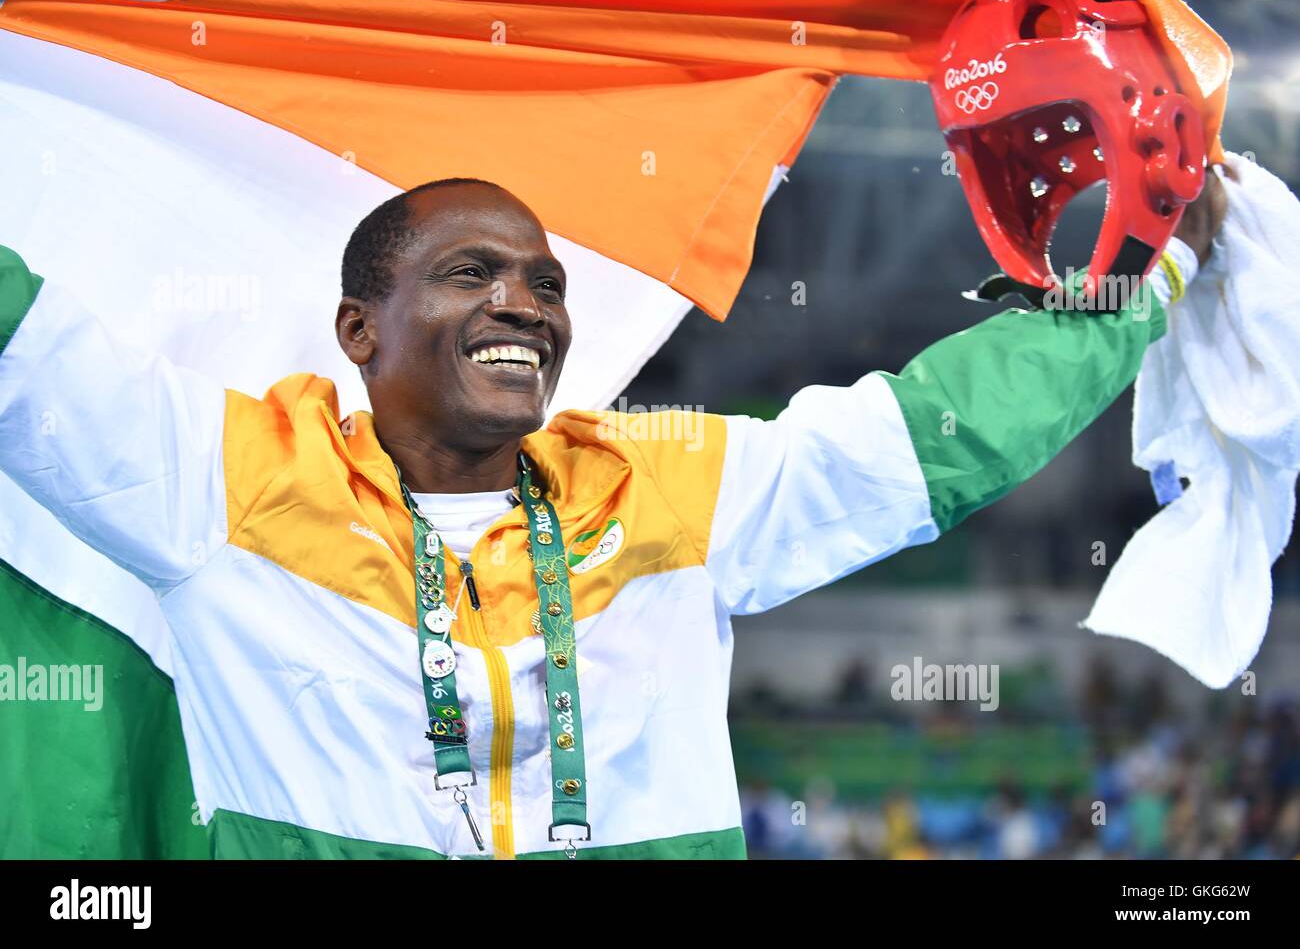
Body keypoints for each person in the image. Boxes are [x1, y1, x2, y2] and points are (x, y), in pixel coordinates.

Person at [0, 172, 1227, 859]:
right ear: (358, 332)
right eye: (471, 272)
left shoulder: (664, 490)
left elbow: (927, 437)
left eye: (545, 283)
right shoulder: (226, 479)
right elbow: (28, 358)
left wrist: (1148, 268)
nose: (524, 303)